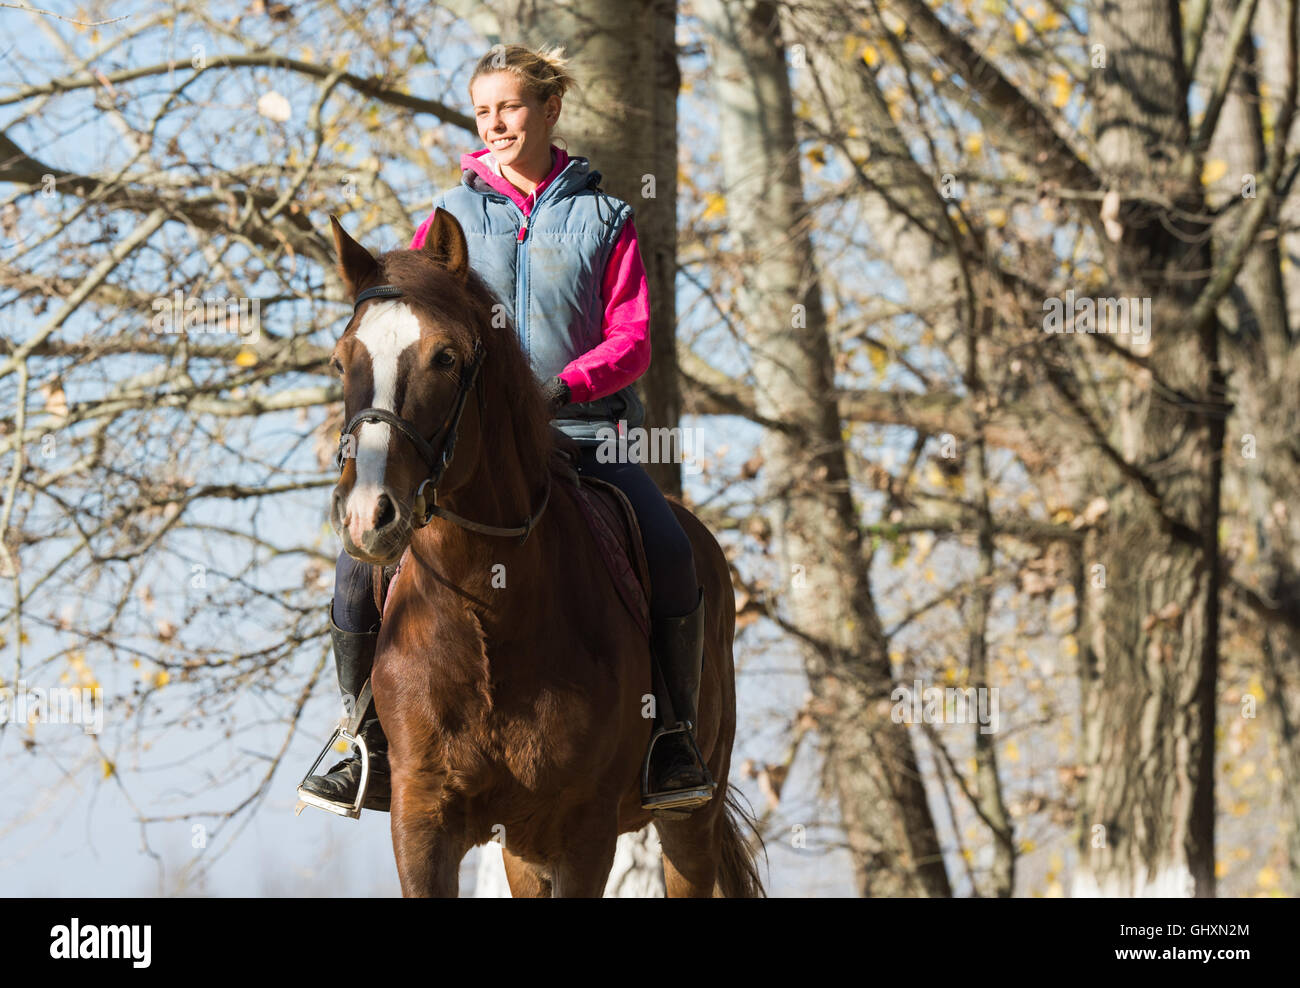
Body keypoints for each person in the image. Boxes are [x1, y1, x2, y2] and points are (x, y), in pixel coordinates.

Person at [299, 43, 713, 816]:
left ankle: (672, 737)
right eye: (483, 110)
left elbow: (634, 339)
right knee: (358, 565)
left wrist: (563, 387)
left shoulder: (605, 216)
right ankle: (361, 739)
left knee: (668, 546)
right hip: (471, 449)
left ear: (550, 110)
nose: (495, 123)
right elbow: (412, 328)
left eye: (511, 107)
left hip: (586, 434)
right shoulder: (447, 219)